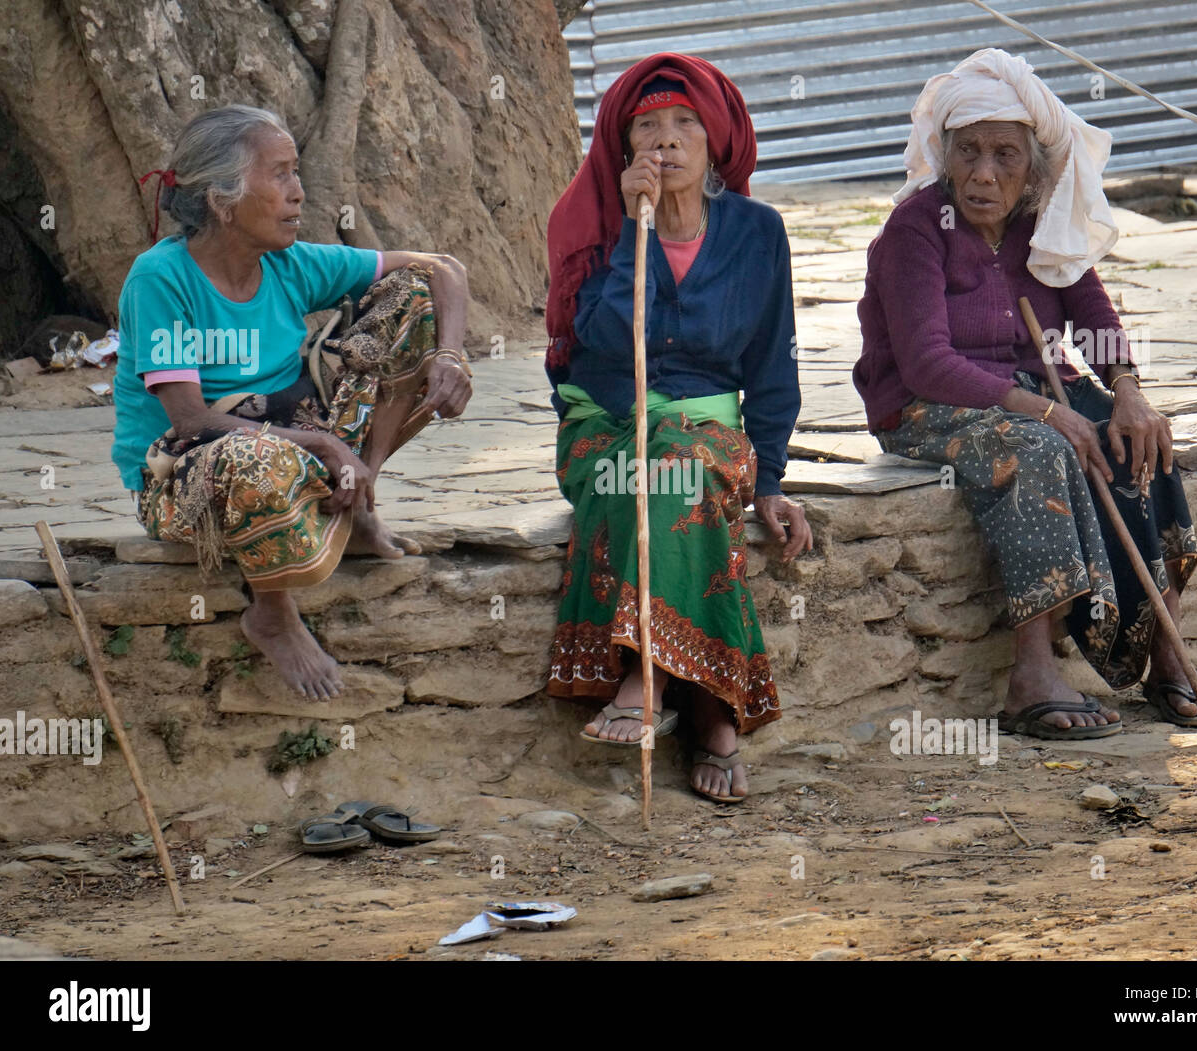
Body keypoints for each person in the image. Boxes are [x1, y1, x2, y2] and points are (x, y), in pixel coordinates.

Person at [853, 49, 1197, 740]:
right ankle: (1029, 671)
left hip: (1034, 387)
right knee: (1036, 447)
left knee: (1145, 437)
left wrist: (1127, 391)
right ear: (945, 154)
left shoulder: (1040, 218)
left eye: (1004, 155)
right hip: (929, 405)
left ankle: (1165, 642)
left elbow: (1092, 313)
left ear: (1033, 165)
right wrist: (1048, 411)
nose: (984, 173)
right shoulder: (916, 229)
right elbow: (928, 362)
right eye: (968, 152)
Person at [111, 104, 472, 700]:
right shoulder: (160, 279)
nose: (298, 193)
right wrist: (326, 442)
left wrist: (450, 355)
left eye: (295, 173)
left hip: (289, 443)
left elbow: (443, 269)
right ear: (223, 198)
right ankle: (272, 612)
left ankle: (360, 502)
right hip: (185, 473)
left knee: (414, 300)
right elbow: (194, 422)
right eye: (280, 175)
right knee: (254, 459)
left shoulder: (290, 263)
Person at [543, 54, 812, 801]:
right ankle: (714, 717)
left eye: (684, 123)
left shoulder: (758, 234)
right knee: (671, 474)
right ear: (626, 150)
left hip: (707, 430)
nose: (666, 141)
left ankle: (643, 675)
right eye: (648, 128)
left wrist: (772, 482)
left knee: (684, 464)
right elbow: (596, 345)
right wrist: (637, 233)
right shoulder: (595, 230)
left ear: (716, 137)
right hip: (608, 425)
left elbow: (772, 366)